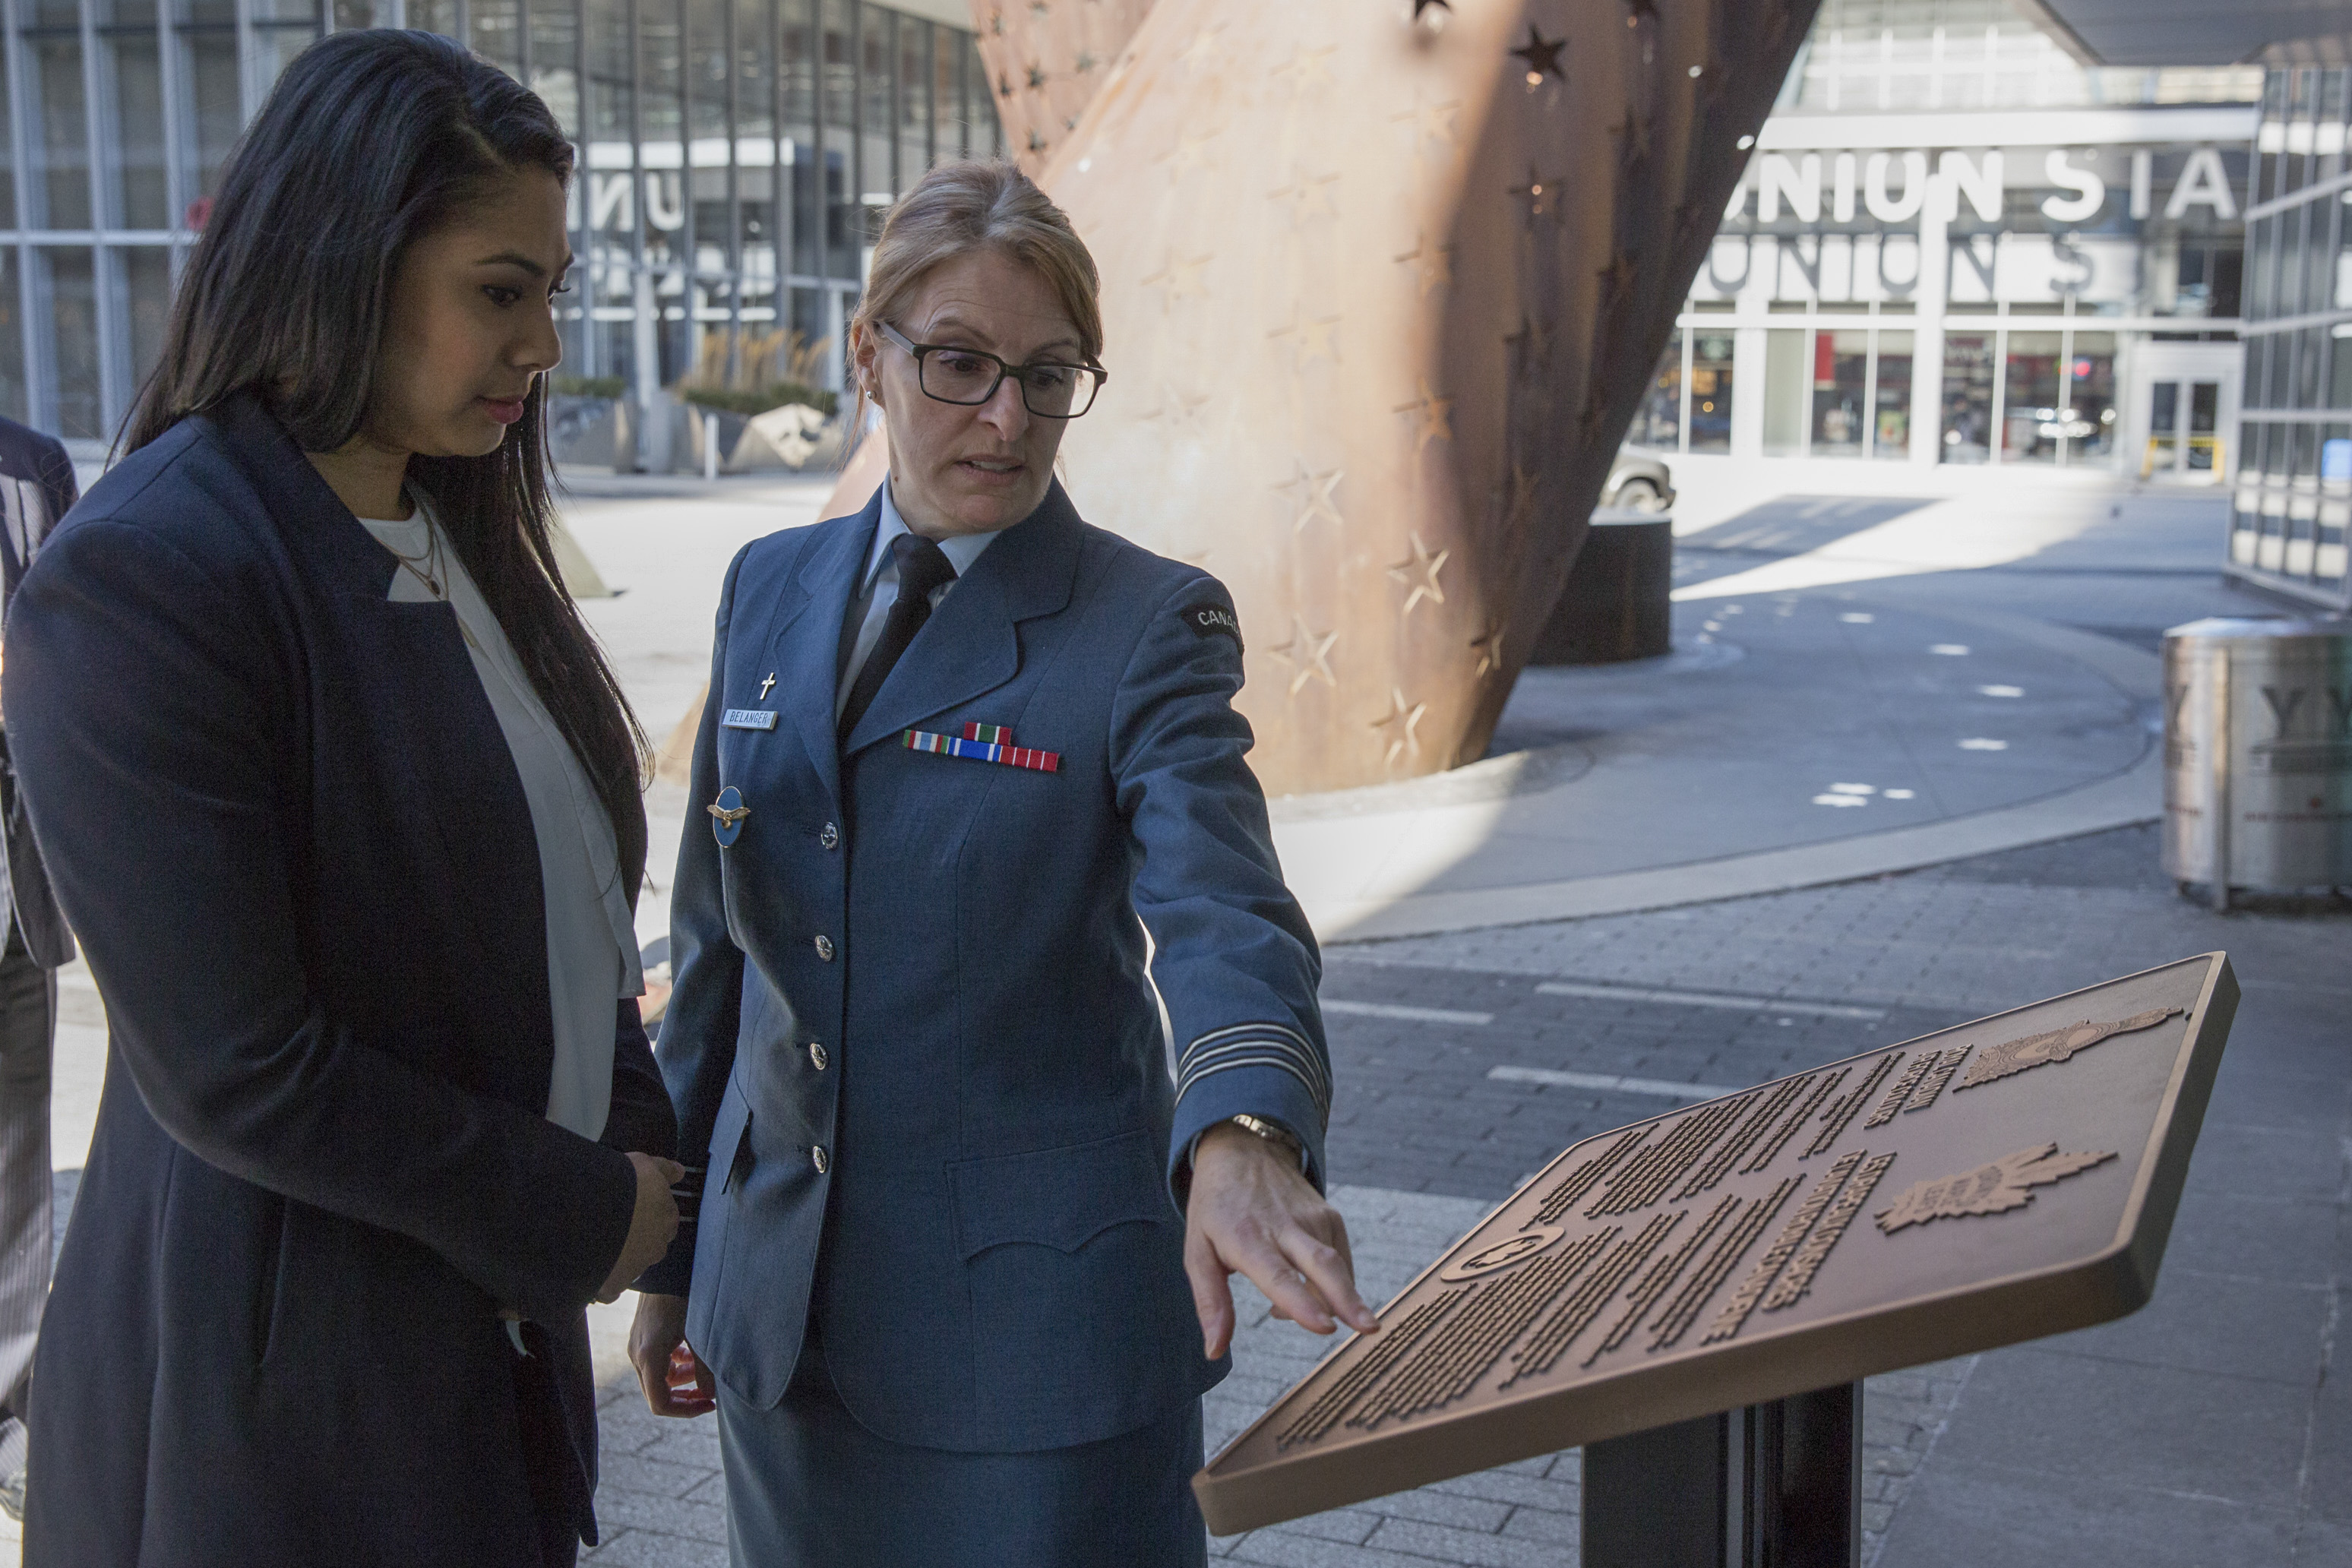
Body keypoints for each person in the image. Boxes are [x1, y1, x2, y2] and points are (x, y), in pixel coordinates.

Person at [628, 159, 1377, 1567]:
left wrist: (1244, 1131)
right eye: (960, 364)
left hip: (1042, 1357)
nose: (1007, 417)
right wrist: (675, 1255)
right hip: (785, 1331)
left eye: (1049, 375)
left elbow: (1222, 904)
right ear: (870, 356)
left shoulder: (1146, 623)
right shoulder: (766, 590)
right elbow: (719, 954)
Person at [0, 31, 681, 1567]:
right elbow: (240, 1068)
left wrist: (668, 1207)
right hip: (279, 1417)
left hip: (474, 1377)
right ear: (344, 262)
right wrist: (585, 1215)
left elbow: (569, 922)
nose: (545, 347)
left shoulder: (458, 533)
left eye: (552, 292)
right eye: (501, 292)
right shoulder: (149, 575)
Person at [0, 413, 76, 1522]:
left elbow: (72, 655)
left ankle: (11, 1410)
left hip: (18, 881)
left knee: (16, 1165)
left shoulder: (31, 467)